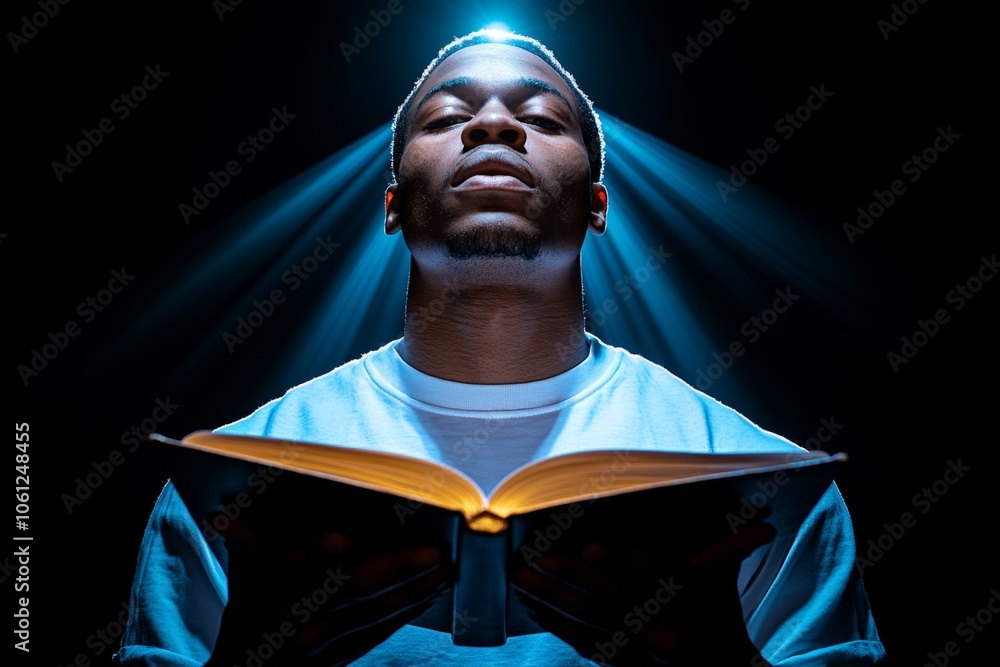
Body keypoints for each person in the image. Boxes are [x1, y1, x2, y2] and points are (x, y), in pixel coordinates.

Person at [114, 29, 887, 666]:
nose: (491, 125)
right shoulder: (240, 477)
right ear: (391, 207)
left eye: (543, 120)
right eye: (446, 116)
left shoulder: (761, 482)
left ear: (596, 207)